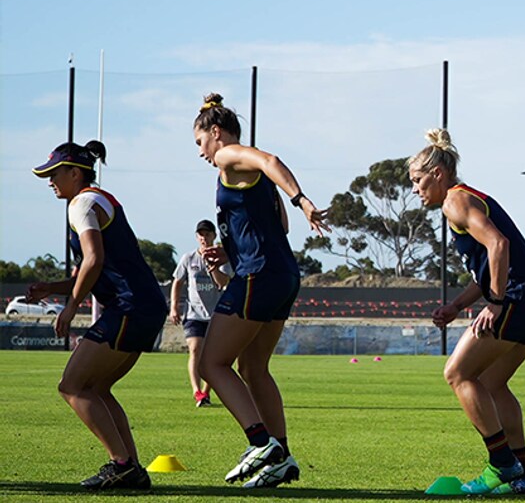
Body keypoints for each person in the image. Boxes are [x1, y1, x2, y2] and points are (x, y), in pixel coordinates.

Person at [193, 93, 329, 488]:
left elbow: (270, 160)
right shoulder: (245, 175)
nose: (201, 153)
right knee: (252, 368)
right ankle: (281, 457)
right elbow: (278, 227)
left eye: (200, 143)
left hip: (258, 275)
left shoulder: (228, 156)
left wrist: (301, 199)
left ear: (215, 133)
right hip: (283, 273)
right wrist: (230, 245)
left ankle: (261, 443)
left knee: (210, 364)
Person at [412, 129, 525, 495]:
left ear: (438, 173)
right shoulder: (465, 200)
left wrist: (495, 302)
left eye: (417, 181)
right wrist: (458, 305)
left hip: (519, 298)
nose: (415, 189)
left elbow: (499, 244)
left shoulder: (455, 201)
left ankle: (503, 464)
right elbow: (489, 267)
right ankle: (524, 476)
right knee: (492, 384)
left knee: (457, 374)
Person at [26, 141, 168, 490]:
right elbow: (95, 269)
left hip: (129, 306)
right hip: (145, 305)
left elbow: (93, 259)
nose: (49, 181)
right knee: (98, 387)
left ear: (76, 173)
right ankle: (131, 468)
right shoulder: (99, 199)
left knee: (72, 385)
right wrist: (54, 288)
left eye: (54, 173)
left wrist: (71, 307)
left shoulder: (81, 202)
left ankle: (121, 464)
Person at [169, 219, 231, 407]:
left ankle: (206, 393)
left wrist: (213, 269)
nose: (204, 238)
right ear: (197, 237)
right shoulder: (188, 258)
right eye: (201, 234)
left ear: (214, 236)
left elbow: (223, 283)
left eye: (207, 234)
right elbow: (177, 282)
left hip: (216, 314)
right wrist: (174, 306)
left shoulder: (223, 258)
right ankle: (197, 392)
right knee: (195, 350)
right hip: (194, 314)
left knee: (213, 358)